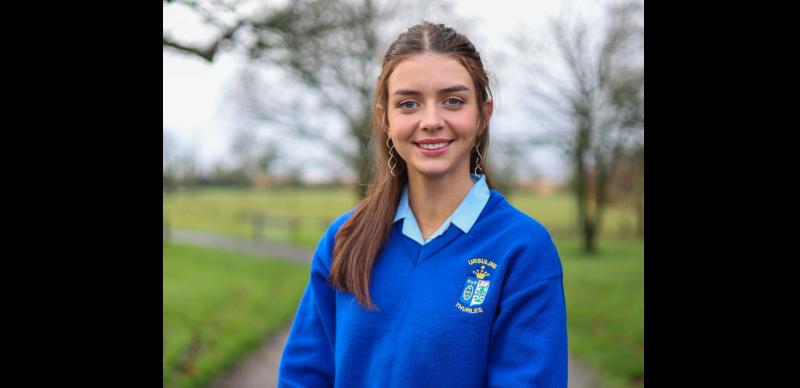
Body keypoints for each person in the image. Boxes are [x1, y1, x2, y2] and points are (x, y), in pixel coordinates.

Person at [278, 21, 567, 387]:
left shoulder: (522, 248)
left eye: (453, 101)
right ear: (385, 119)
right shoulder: (343, 240)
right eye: (409, 103)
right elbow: (303, 377)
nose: (431, 121)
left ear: (483, 115)